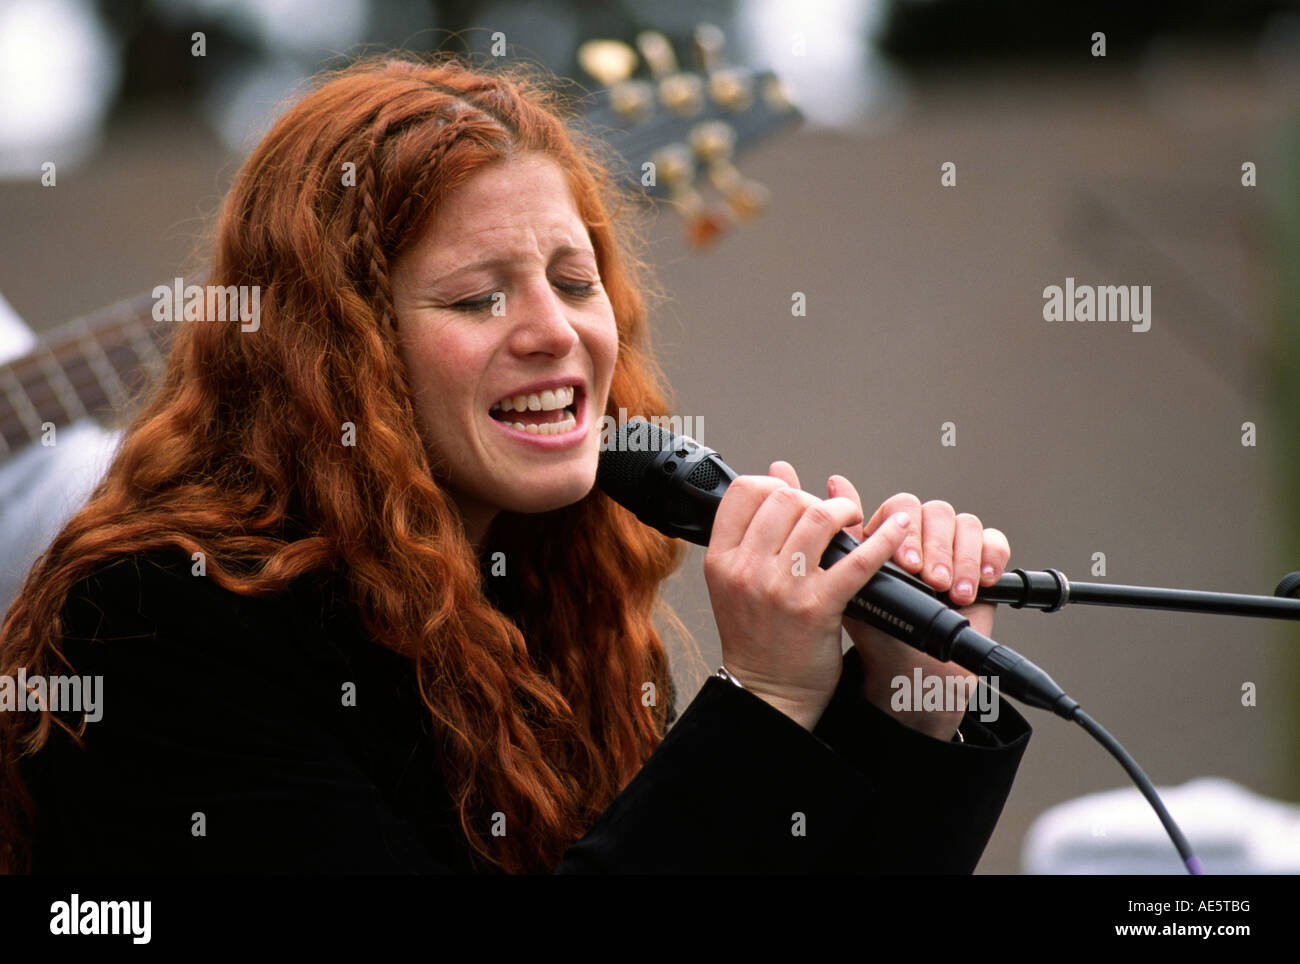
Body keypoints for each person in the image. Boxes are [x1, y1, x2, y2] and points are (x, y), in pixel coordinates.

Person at [0, 54, 1030, 874]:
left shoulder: (555, 612)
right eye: (477, 296)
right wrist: (759, 701)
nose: (556, 332)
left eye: (574, 281)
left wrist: (913, 702)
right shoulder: (157, 619)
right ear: (333, 353)